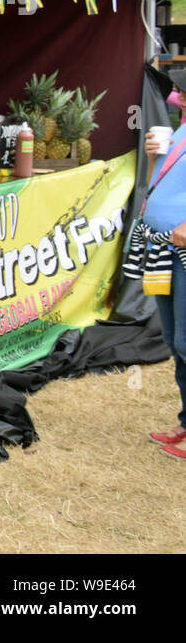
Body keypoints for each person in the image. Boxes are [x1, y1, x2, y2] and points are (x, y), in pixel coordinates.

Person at [141, 126, 186, 459]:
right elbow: (157, 182)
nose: (179, 94)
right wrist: (152, 158)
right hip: (164, 248)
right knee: (174, 339)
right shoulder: (180, 129)